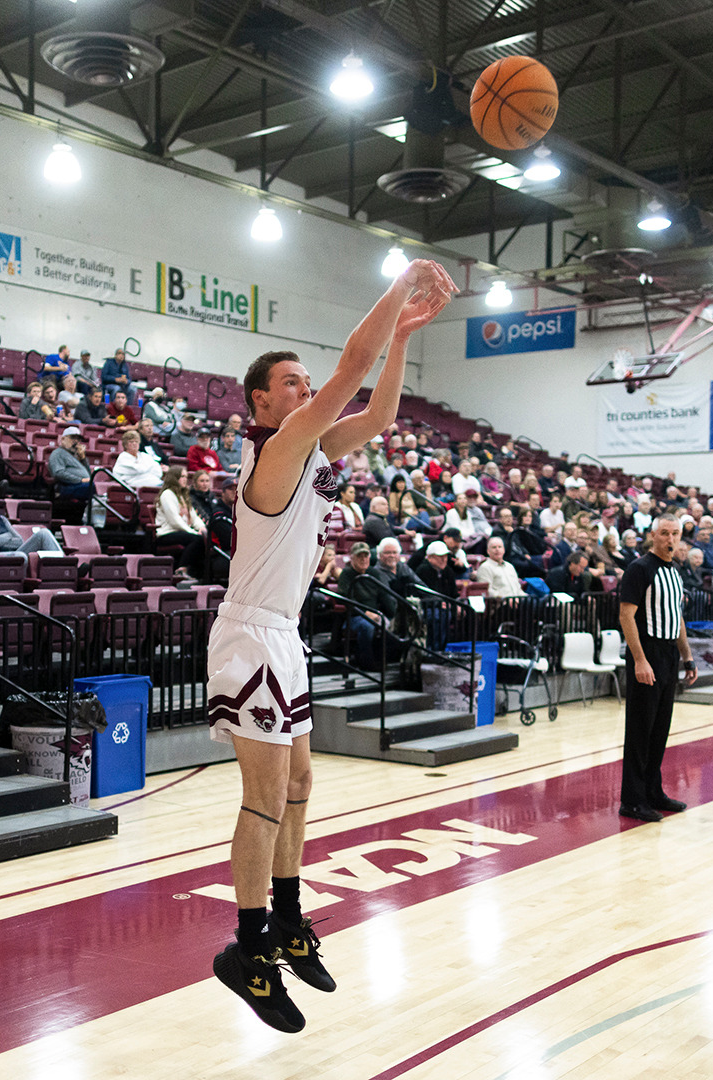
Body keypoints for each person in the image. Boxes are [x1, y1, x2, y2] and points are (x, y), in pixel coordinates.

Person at [208, 258, 452, 1034]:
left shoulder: (310, 449)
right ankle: (246, 949)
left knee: (303, 783)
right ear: (259, 401)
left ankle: (285, 914)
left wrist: (406, 336)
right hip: (250, 633)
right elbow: (353, 368)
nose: (305, 390)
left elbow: (377, 417)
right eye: (291, 382)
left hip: (284, 632)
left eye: (304, 381)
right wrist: (398, 288)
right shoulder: (274, 452)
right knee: (265, 796)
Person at [615, 515, 696, 823]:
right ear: (653, 536)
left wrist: (686, 656)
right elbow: (626, 616)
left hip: (667, 656)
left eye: (675, 533)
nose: (670, 539)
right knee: (640, 730)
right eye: (664, 533)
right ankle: (632, 800)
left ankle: (653, 792)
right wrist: (639, 660)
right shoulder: (639, 569)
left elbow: (677, 619)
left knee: (659, 729)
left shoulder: (675, 572)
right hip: (646, 652)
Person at [0, 478, 62, 555]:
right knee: (21, 556)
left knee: (44, 533)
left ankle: (62, 566)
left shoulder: (1, 519)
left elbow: (19, 541)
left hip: (14, 554)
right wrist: (8, 536)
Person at [156, 465, 209, 576]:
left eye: (186, 476)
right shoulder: (167, 494)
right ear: (174, 478)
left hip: (182, 531)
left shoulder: (182, 496)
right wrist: (192, 531)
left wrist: (202, 528)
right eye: (182, 476)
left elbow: (194, 517)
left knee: (205, 539)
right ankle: (181, 569)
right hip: (167, 533)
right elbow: (174, 520)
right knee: (197, 540)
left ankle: (199, 574)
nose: (185, 479)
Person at [48, 426, 94, 503]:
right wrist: (81, 480)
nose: (76, 442)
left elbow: (89, 475)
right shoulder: (58, 453)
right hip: (66, 486)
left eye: (78, 439)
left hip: (79, 485)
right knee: (91, 487)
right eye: (72, 438)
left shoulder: (77, 455)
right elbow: (58, 473)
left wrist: (83, 458)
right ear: (63, 439)